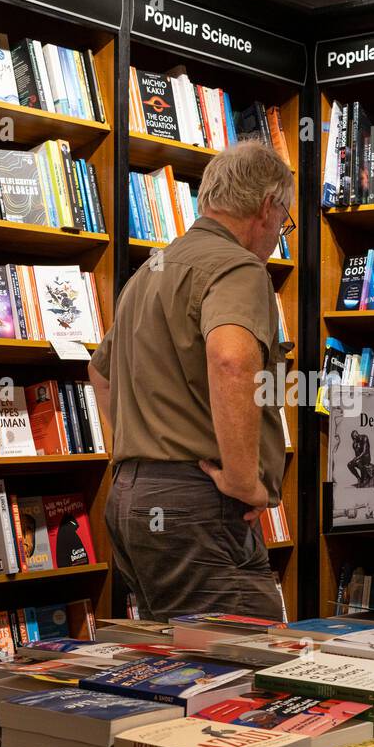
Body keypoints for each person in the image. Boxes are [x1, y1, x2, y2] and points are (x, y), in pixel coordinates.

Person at [89, 141, 295, 624]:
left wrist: (140, 444)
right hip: (200, 504)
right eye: (283, 222)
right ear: (267, 207)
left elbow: (99, 372)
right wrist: (244, 481)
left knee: (179, 671)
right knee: (247, 666)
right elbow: (231, 360)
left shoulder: (150, 272)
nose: (276, 237)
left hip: (131, 499)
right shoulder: (238, 266)